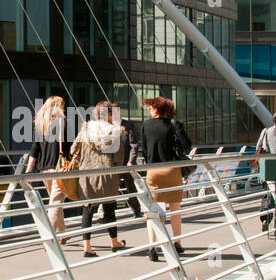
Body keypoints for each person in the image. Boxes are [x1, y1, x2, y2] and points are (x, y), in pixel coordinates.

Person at [73, 101, 130, 257]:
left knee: (87, 210)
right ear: (108, 115)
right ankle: (114, 243)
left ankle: (87, 247)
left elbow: (73, 149)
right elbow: (118, 159)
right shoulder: (115, 132)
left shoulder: (85, 129)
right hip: (107, 175)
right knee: (109, 209)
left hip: (86, 175)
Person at [139, 96, 192, 261]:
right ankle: (177, 242)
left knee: (153, 210)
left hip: (153, 171)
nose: (149, 110)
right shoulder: (175, 124)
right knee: (175, 208)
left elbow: (144, 148)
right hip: (172, 170)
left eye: (151, 108)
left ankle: (153, 247)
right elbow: (187, 146)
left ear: (156, 109)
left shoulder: (146, 125)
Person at [25, 96, 72, 241]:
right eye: (62, 105)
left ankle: (62, 233)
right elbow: (71, 148)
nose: (64, 108)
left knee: (55, 201)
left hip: (44, 170)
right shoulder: (63, 123)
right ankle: (48, 238)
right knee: (55, 203)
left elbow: (34, 151)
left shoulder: (41, 125)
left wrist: (28, 172)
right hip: (59, 169)